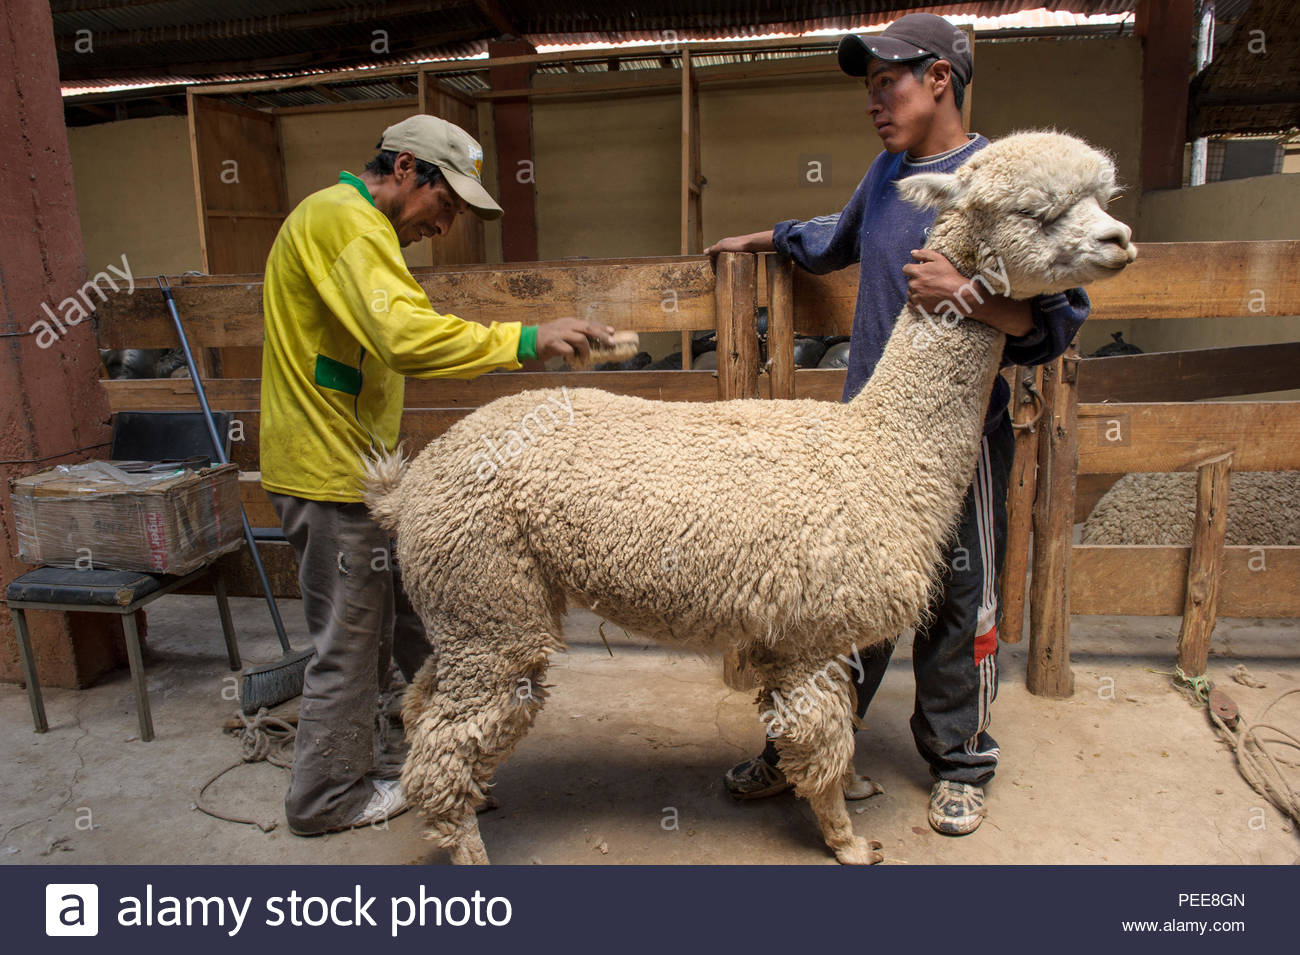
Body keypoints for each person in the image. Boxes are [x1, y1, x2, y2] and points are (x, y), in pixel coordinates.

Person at [706, 13, 1089, 835]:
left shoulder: (999, 178)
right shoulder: (885, 174)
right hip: (866, 438)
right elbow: (836, 239)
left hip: (958, 444)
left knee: (955, 597)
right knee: (837, 601)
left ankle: (960, 759)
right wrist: (768, 237)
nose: (875, 102)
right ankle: (805, 750)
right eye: (871, 89)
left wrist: (970, 292)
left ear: (940, 79)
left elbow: (1059, 318)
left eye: (890, 84)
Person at [259, 115, 614, 836]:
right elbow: (407, 336)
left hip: (356, 463)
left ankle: (436, 747)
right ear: (404, 169)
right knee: (351, 643)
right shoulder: (346, 225)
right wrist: (524, 337)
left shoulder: (365, 231)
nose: (445, 225)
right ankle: (327, 797)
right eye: (444, 204)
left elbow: (397, 329)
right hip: (328, 474)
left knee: (425, 619)